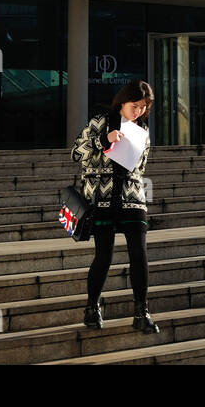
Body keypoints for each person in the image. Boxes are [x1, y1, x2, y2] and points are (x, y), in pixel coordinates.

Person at [73, 79, 159, 335]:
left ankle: (141, 311)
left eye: (144, 107)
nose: (139, 112)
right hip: (102, 198)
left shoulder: (142, 130)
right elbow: (76, 152)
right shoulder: (100, 121)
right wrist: (104, 140)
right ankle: (91, 307)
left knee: (139, 254)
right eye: (135, 106)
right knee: (104, 255)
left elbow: (141, 167)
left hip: (132, 197)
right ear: (122, 102)